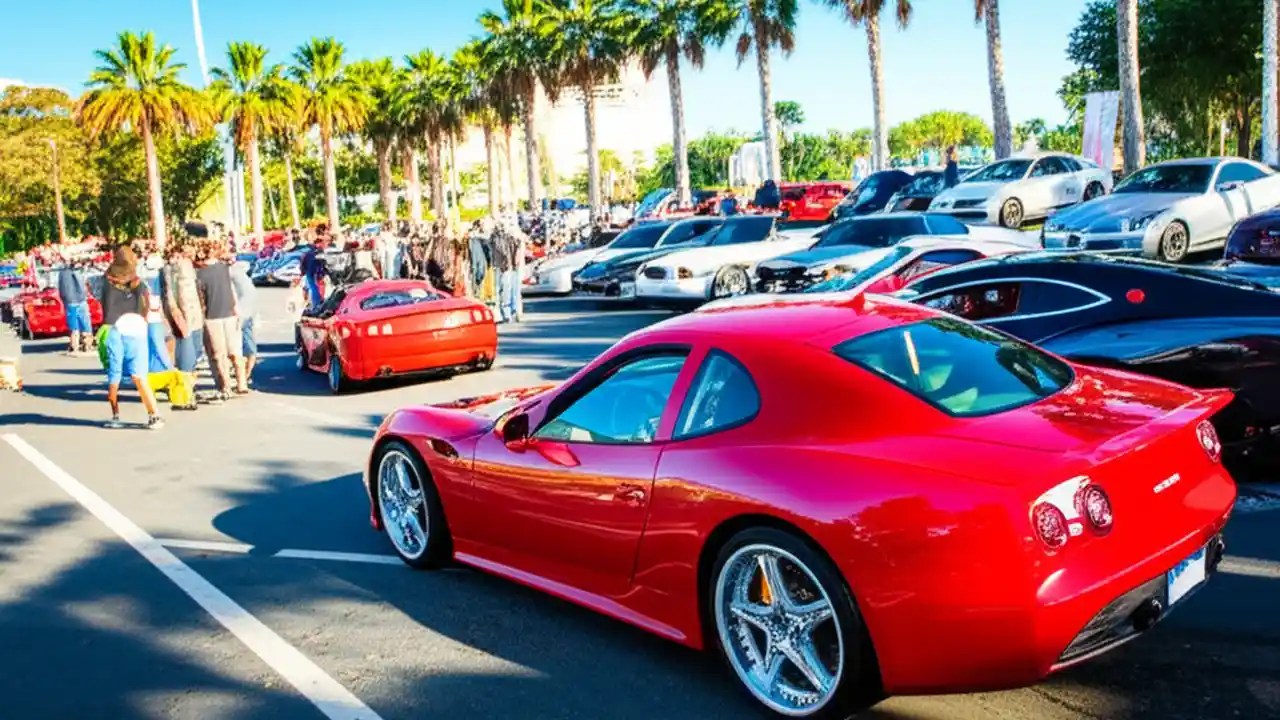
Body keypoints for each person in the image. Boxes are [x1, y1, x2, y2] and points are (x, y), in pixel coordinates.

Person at [98, 246, 163, 429]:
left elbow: (102, 302)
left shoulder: (107, 282)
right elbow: (146, 305)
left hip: (114, 328)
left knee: (114, 374)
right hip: (137, 328)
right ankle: (154, 415)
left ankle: (116, 415)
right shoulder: (139, 283)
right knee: (140, 376)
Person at [196, 243, 248, 399]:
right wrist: (237, 307)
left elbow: (201, 299)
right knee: (235, 351)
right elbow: (232, 289)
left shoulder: (199, 275)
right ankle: (242, 383)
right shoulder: (224, 268)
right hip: (230, 312)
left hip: (212, 316)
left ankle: (226, 386)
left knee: (220, 354)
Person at [160, 241, 204, 409]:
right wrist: (181, 322)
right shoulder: (175, 271)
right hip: (186, 321)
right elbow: (175, 302)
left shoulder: (183, 270)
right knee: (186, 361)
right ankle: (183, 398)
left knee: (192, 359)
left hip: (193, 318)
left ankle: (187, 393)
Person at [229, 259, 260, 386]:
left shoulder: (231, 272)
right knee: (248, 346)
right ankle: (245, 377)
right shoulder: (240, 272)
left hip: (241, 313)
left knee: (234, 348)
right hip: (248, 311)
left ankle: (243, 378)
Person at [57, 259, 92, 354]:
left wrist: (64, 300)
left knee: (74, 327)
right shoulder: (78, 271)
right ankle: (87, 345)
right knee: (85, 325)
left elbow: (62, 289)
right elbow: (83, 286)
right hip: (81, 300)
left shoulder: (63, 272)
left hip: (70, 302)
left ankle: (74, 346)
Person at [492, 222, 523, 323]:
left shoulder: (508, 239)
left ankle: (509, 312)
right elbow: (505, 252)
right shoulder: (500, 239)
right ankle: (510, 312)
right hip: (507, 266)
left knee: (506, 289)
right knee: (508, 289)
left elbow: (505, 252)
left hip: (507, 266)